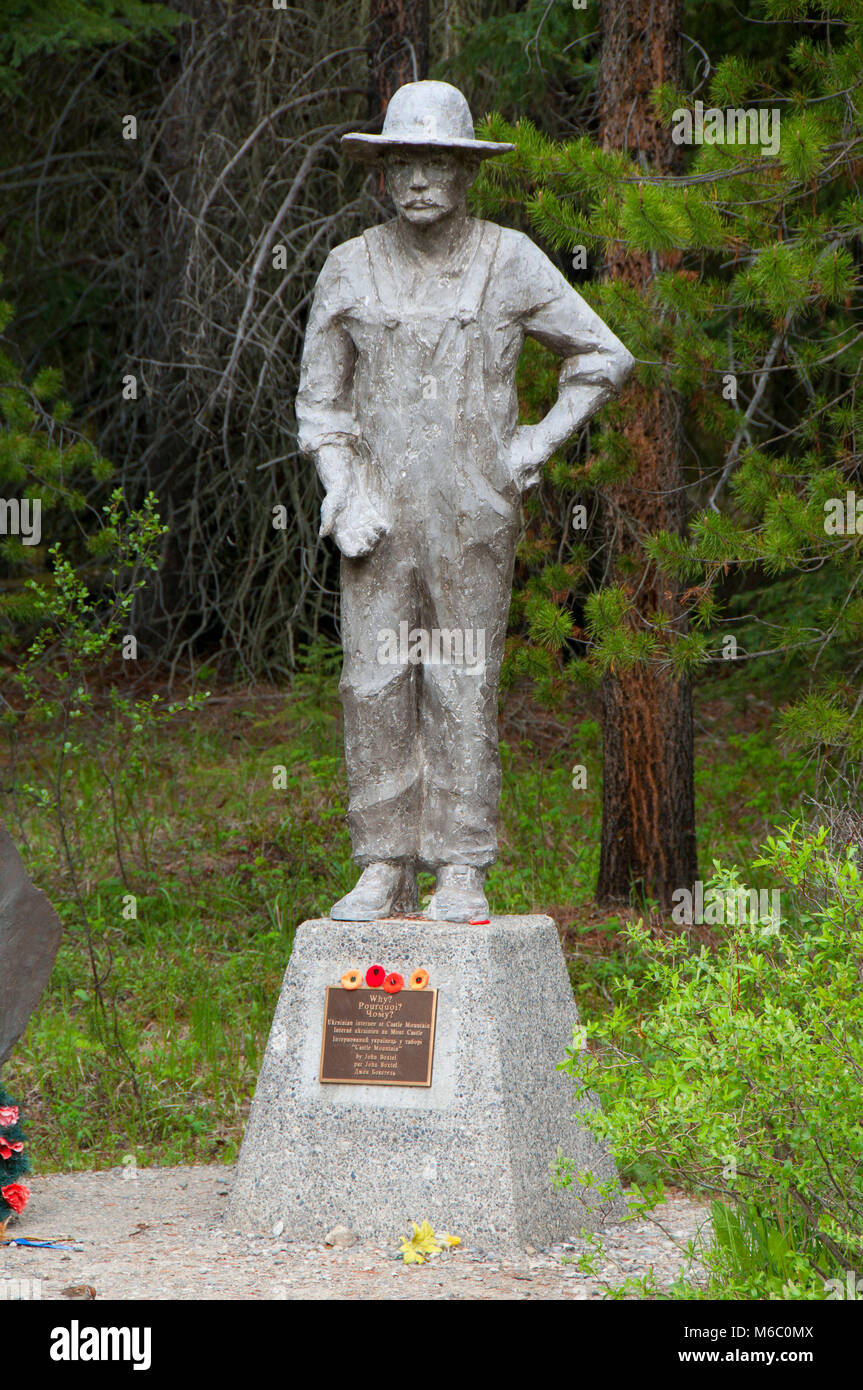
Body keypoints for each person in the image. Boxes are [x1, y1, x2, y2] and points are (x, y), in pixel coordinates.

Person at [296, 81, 633, 922]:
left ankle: (461, 864)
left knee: (460, 680)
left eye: (435, 163)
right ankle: (381, 862)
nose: (417, 180)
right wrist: (343, 489)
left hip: (472, 514)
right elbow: (320, 407)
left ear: (465, 172)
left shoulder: (508, 259)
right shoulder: (349, 266)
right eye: (403, 163)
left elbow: (601, 356)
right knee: (372, 682)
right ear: (382, 173)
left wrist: (535, 441)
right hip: (376, 516)